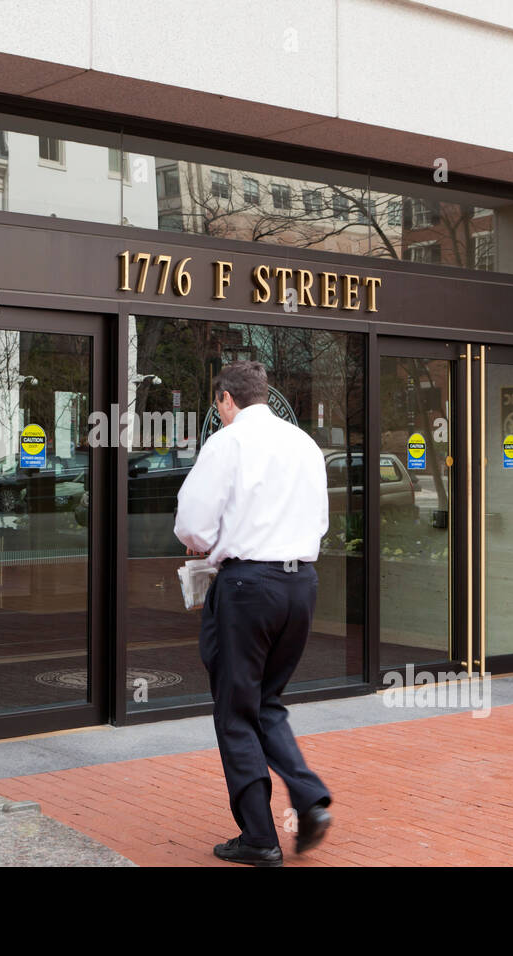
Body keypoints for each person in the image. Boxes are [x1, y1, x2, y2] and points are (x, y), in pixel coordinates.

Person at [174, 360, 333, 867]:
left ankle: (259, 838)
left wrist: (213, 545)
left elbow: (192, 524)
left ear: (225, 399)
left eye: (217, 404)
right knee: (267, 702)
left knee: (236, 710)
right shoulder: (305, 444)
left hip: (248, 587)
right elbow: (322, 520)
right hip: (300, 583)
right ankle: (308, 798)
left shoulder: (228, 443)